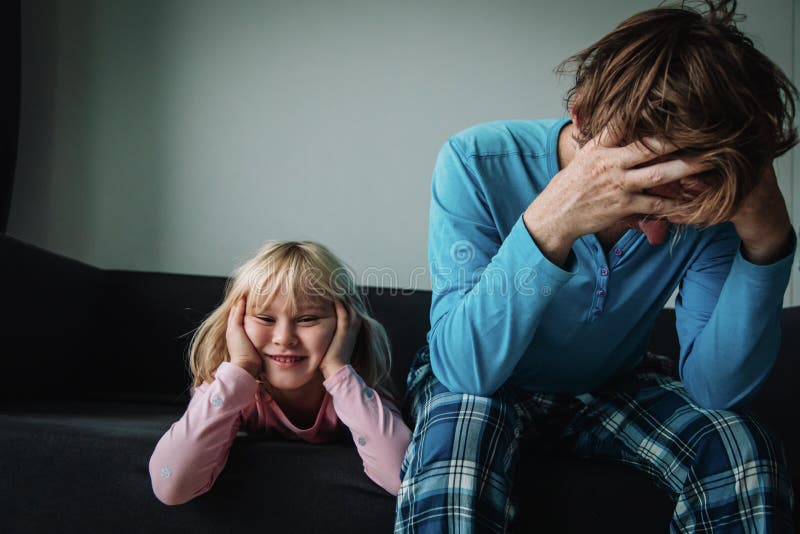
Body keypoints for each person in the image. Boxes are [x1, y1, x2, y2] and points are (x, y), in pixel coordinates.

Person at [395, 1, 797, 532]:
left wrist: (767, 240)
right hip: (483, 378)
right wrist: (552, 222)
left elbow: (717, 392)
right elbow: (466, 370)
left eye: (678, 200)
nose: (657, 233)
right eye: (642, 189)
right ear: (583, 119)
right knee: (461, 431)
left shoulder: (711, 198)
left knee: (739, 447)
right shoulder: (474, 161)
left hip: (611, 381)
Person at [149, 240, 411, 504]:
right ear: (236, 322)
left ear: (347, 324)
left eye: (308, 319)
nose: (284, 338)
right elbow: (170, 485)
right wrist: (241, 367)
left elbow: (406, 479)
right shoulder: (229, 386)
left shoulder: (359, 387)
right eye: (265, 318)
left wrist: (337, 370)